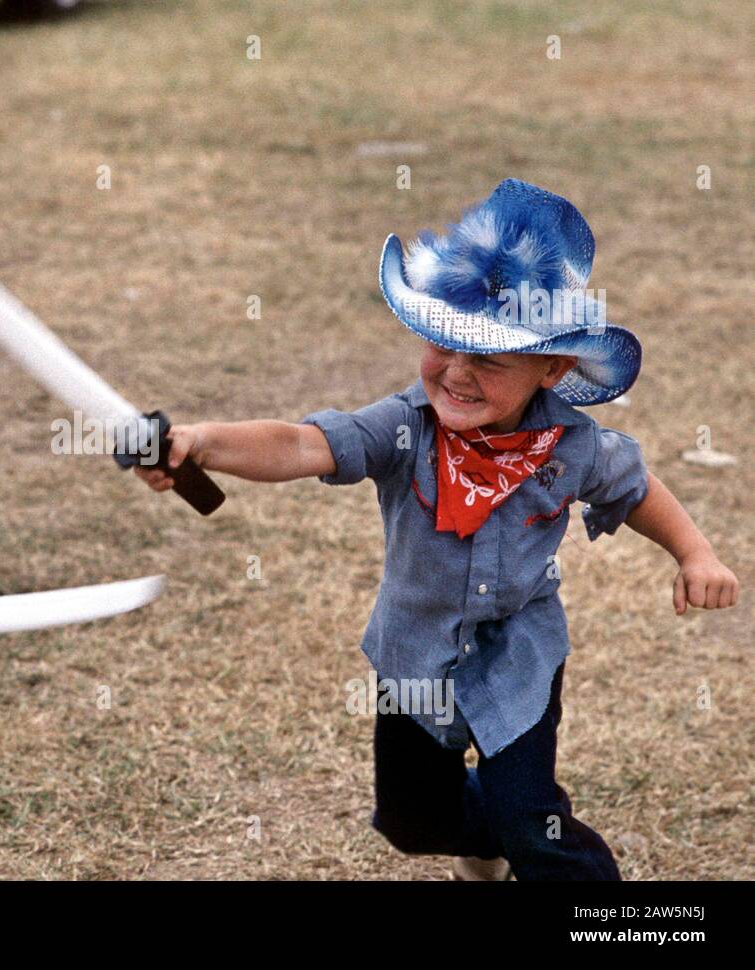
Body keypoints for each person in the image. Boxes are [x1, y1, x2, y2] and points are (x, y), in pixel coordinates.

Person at [133, 179, 740, 880]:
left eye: (487, 357)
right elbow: (302, 445)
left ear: (552, 368)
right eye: (441, 343)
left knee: (533, 824)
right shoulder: (403, 430)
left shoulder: (572, 446)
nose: (455, 372)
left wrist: (694, 553)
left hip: (519, 658)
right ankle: (486, 843)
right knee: (413, 823)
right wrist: (200, 443)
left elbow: (634, 487)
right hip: (414, 655)